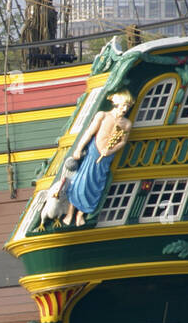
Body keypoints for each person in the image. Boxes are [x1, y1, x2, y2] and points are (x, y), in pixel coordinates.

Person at [50, 90, 135, 227]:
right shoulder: (103, 116)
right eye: (124, 105)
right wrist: (78, 148)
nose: (125, 109)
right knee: (80, 182)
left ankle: (80, 215)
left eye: (128, 107)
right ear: (117, 103)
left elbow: (122, 141)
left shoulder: (126, 124)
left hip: (106, 158)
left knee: (96, 186)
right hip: (93, 153)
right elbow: (89, 133)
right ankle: (70, 213)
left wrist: (110, 150)